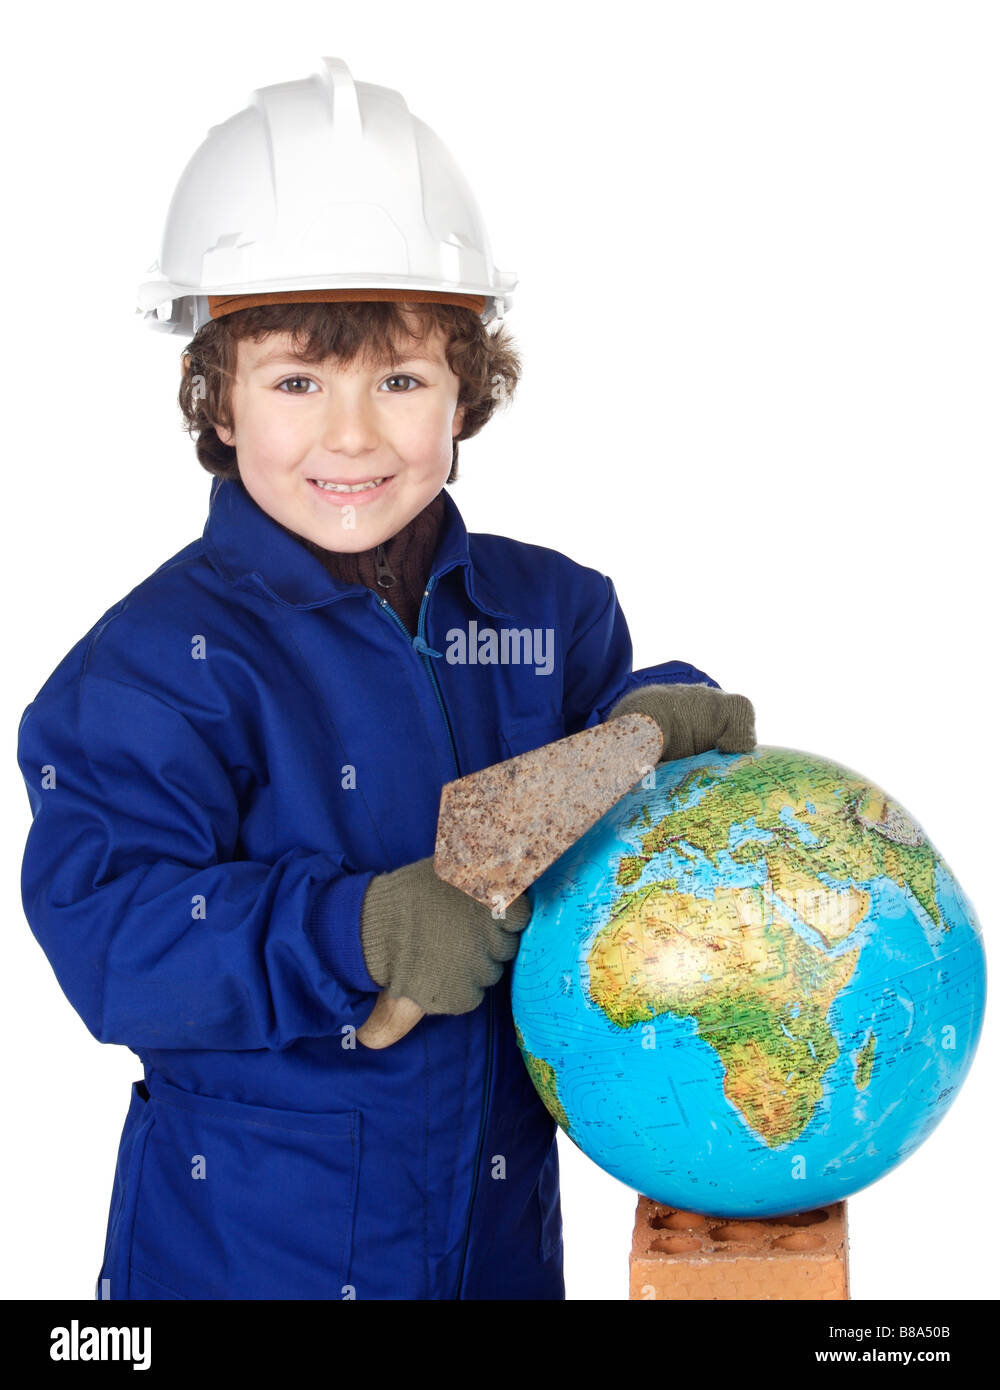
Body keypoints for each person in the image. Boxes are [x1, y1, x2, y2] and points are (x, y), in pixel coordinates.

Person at [16, 57, 756, 1301]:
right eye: (297, 380)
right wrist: (359, 926)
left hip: (499, 1243)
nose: (351, 436)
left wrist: (650, 714)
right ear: (217, 398)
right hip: (250, 1253)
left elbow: (608, 797)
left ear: (465, 391)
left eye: (400, 380)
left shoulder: (549, 609)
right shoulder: (148, 670)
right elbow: (112, 935)